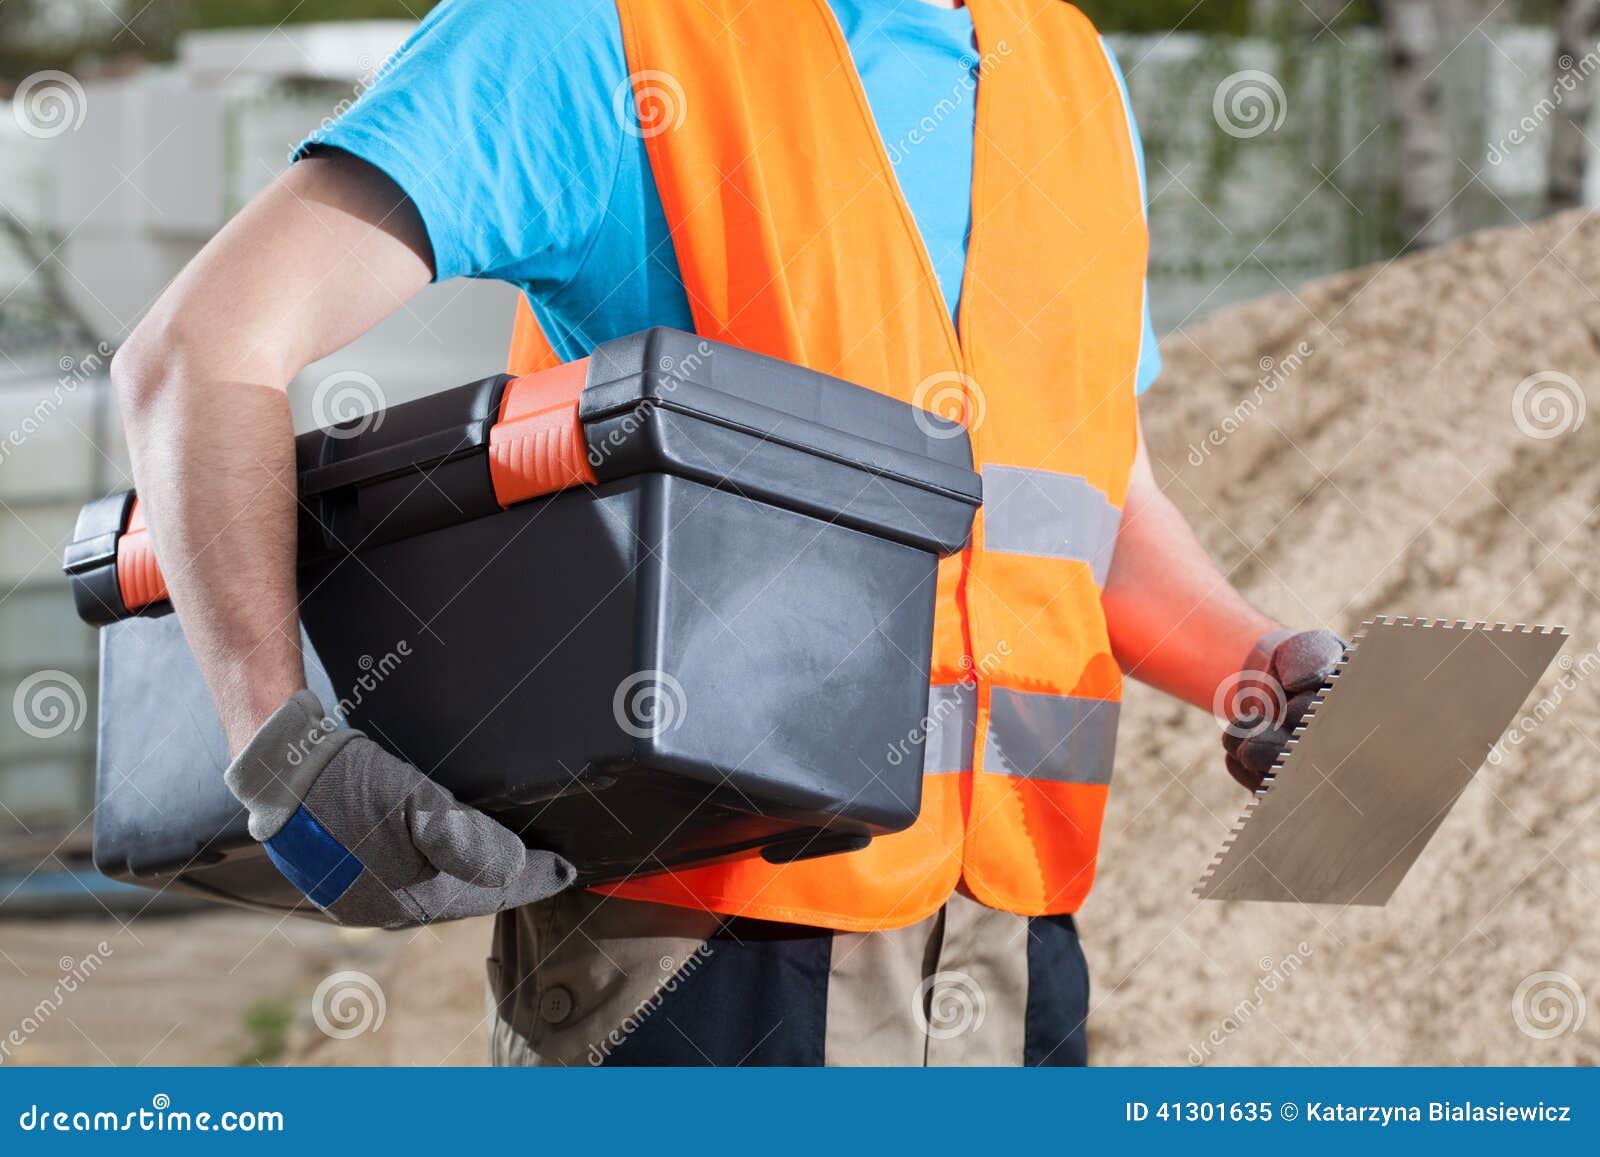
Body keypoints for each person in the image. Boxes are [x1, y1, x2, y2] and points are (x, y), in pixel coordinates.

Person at [111, 0, 1343, 1066]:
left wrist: (1243, 660)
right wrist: (284, 750)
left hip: (1009, 951)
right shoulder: (604, 32)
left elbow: (1071, 485)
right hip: (693, 951)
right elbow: (197, 352)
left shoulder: (1069, 68)